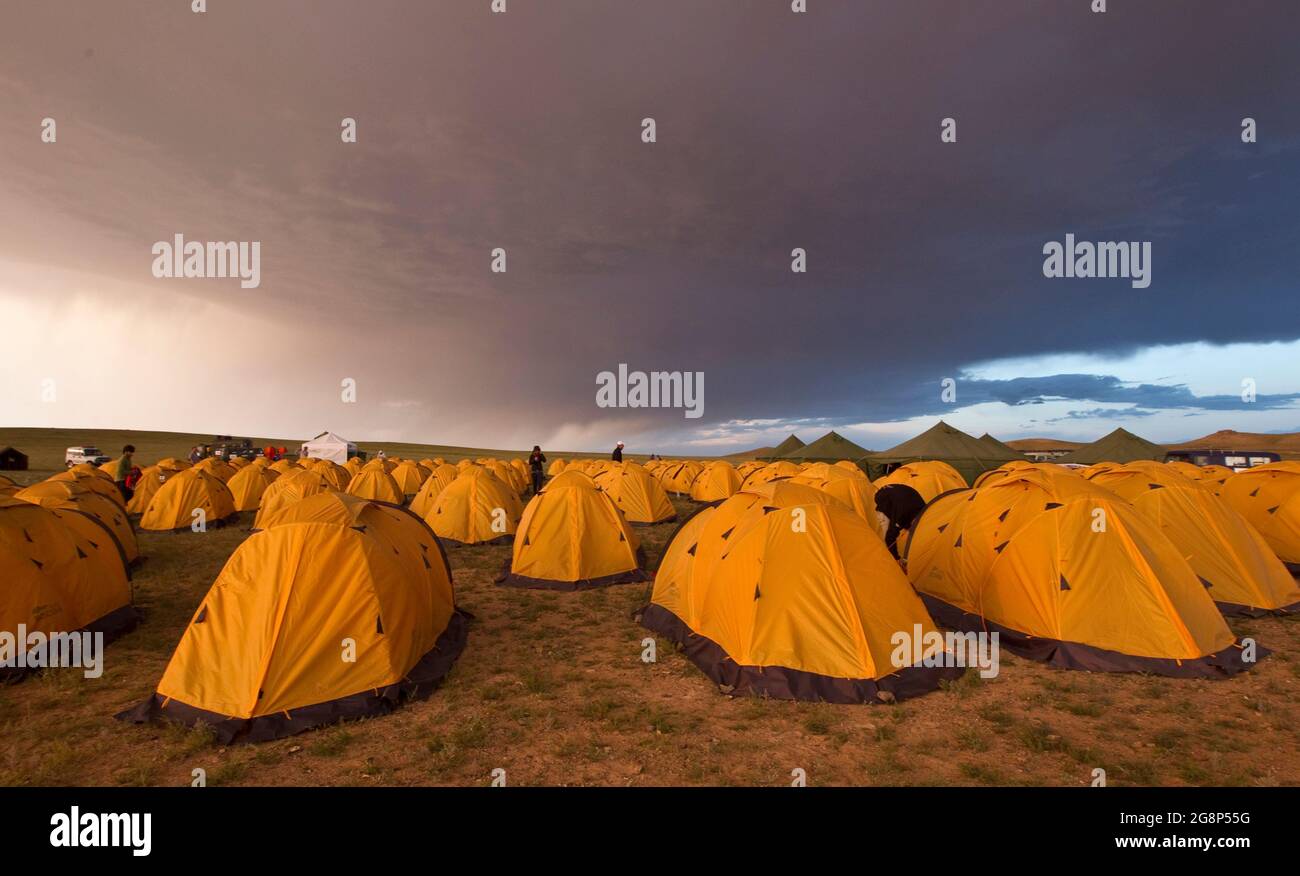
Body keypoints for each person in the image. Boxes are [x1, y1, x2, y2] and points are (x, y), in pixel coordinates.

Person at [874, 482, 926, 560]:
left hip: (898, 493)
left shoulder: (925, 511)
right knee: (887, 536)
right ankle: (888, 560)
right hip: (883, 498)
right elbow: (890, 537)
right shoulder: (900, 515)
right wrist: (897, 559)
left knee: (914, 533)